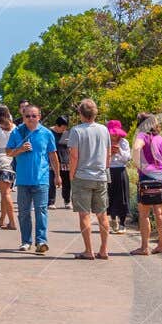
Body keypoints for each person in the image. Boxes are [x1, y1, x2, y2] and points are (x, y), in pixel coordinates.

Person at [6, 104, 59, 252]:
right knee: (24, 212)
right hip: (23, 180)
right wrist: (20, 149)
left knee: (41, 211)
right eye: (27, 116)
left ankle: (41, 242)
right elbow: (9, 152)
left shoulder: (47, 133)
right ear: (23, 117)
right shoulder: (17, 132)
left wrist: (58, 176)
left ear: (39, 117)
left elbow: (53, 155)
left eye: (33, 116)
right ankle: (26, 241)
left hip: (41, 179)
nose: (30, 118)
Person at [67, 97, 111, 261]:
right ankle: (104, 249)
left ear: (80, 113)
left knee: (84, 215)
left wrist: (72, 174)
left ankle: (88, 250)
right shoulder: (104, 130)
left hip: (82, 175)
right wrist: (104, 169)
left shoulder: (77, 131)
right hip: (100, 175)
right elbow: (108, 154)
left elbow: (74, 156)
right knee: (102, 214)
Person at [133, 113, 162, 254]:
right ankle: (161, 245)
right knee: (160, 212)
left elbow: (136, 148)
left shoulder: (142, 136)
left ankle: (144, 248)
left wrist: (138, 165)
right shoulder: (160, 139)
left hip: (147, 177)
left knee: (144, 214)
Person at [106, 119, 131, 234]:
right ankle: (113, 219)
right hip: (109, 170)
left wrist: (119, 151)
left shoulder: (124, 142)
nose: (114, 135)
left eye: (115, 133)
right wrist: (110, 153)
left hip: (121, 170)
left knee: (122, 197)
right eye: (112, 133)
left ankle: (122, 223)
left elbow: (127, 158)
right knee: (109, 196)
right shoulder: (105, 142)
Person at [48, 117, 71, 208]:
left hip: (65, 162)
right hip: (52, 161)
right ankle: (51, 202)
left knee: (66, 183)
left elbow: (69, 147)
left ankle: (67, 201)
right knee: (52, 182)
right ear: (57, 125)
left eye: (66, 127)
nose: (64, 129)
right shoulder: (49, 132)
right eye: (63, 127)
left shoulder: (67, 134)